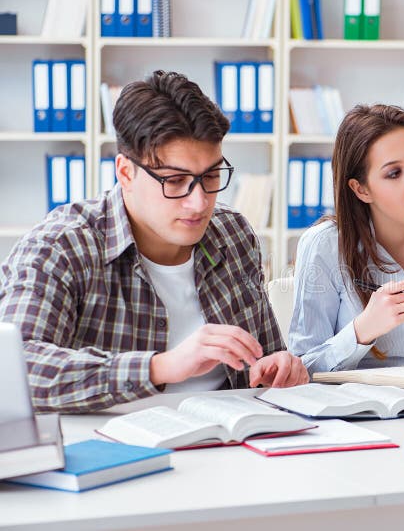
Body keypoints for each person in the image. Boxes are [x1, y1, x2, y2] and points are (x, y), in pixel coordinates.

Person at [0, 70, 308, 413]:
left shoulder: (233, 234)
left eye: (210, 176)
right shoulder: (61, 245)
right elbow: (15, 369)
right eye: (174, 181)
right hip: (112, 442)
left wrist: (278, 368)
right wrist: (160, 367)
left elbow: (265, 361)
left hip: (231, 437)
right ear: (125, 173)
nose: (199, 202)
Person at [289, 104, 404, 374]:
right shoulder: (324, 247)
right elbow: (302, 368)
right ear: (361, 189)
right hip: (356, 399)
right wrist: (362, 330)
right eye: (394, 173)